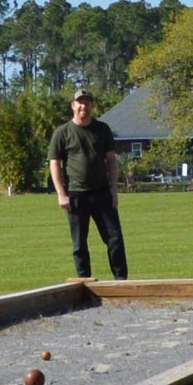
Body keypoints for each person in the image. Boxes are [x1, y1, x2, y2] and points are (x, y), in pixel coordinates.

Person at [47, 87, 128, 281]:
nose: (84, 106)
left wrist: (114, 191)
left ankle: (121, 280)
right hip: (76, 195)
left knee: (114, 238)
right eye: (80, 102)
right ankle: (83, 281)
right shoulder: (63, 132)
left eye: (88, 102)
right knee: (79, 243)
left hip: (102, 193)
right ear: (73, 106)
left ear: (91, 106)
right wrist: (61, 193)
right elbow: (54, 163)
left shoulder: (102, 130)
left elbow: (111, 160)